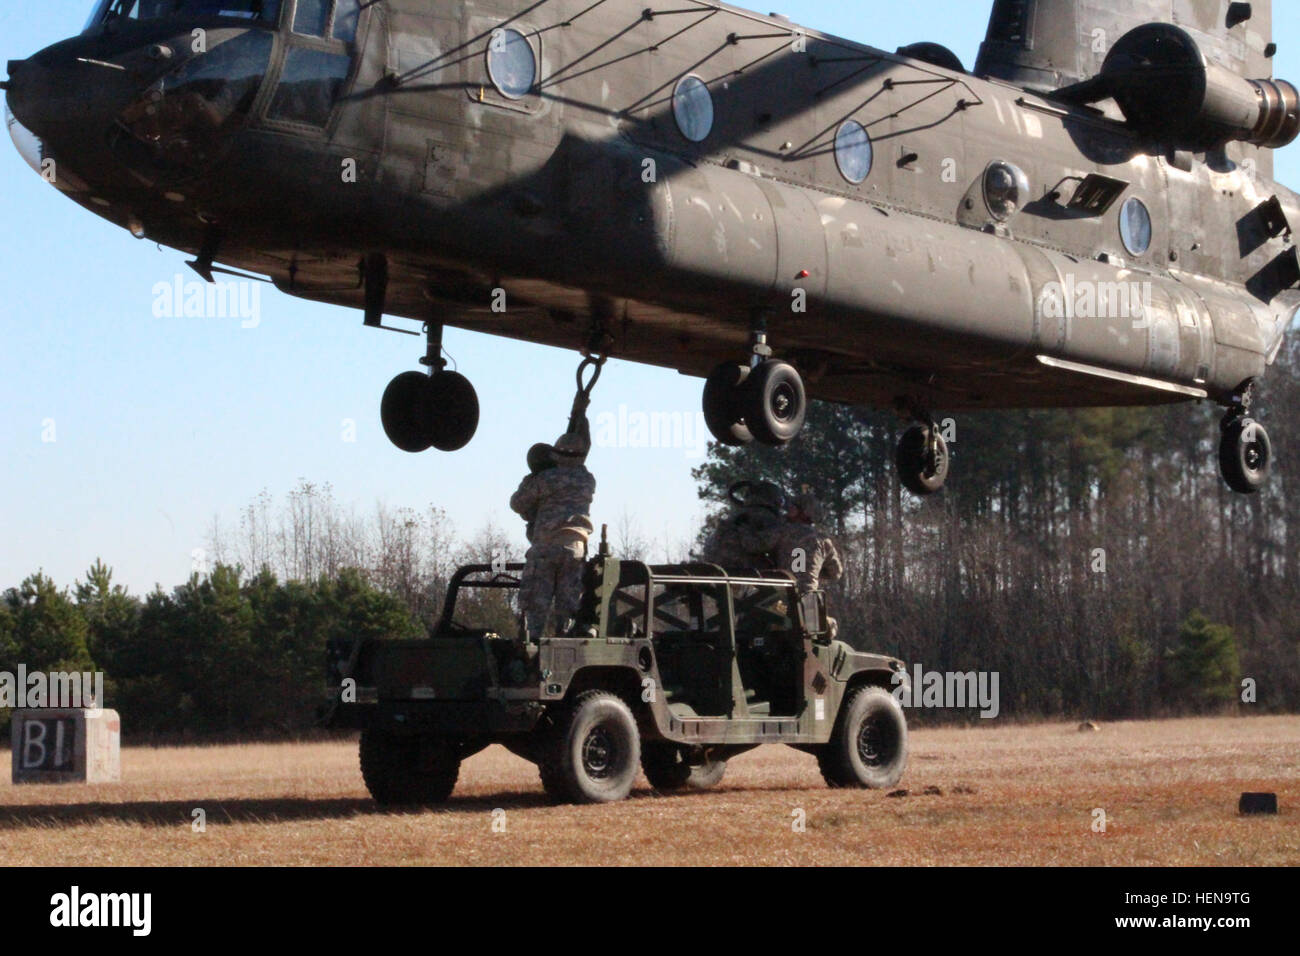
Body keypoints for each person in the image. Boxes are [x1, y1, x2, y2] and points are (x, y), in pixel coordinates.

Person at [510, 428, 596, 640]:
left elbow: (517, 503)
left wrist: (532, 478)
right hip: (575, 550)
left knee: (535, 611)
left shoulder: (545, 479)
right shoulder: (588, 480)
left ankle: (531, 648)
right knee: (568, 610)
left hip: (545, 548)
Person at [701, 480, 786, 569]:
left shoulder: (737, 515)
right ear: (775, 499)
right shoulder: (767, 517)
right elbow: (758, 545)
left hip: (716, 569)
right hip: (743, 571)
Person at [776, 490, 843, 593]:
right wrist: (814, 570)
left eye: (793, 507)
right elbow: (836, 573)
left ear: (798, 511)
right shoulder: (822, 540)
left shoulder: (780, 532)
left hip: (779, 597)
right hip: (807, 601)